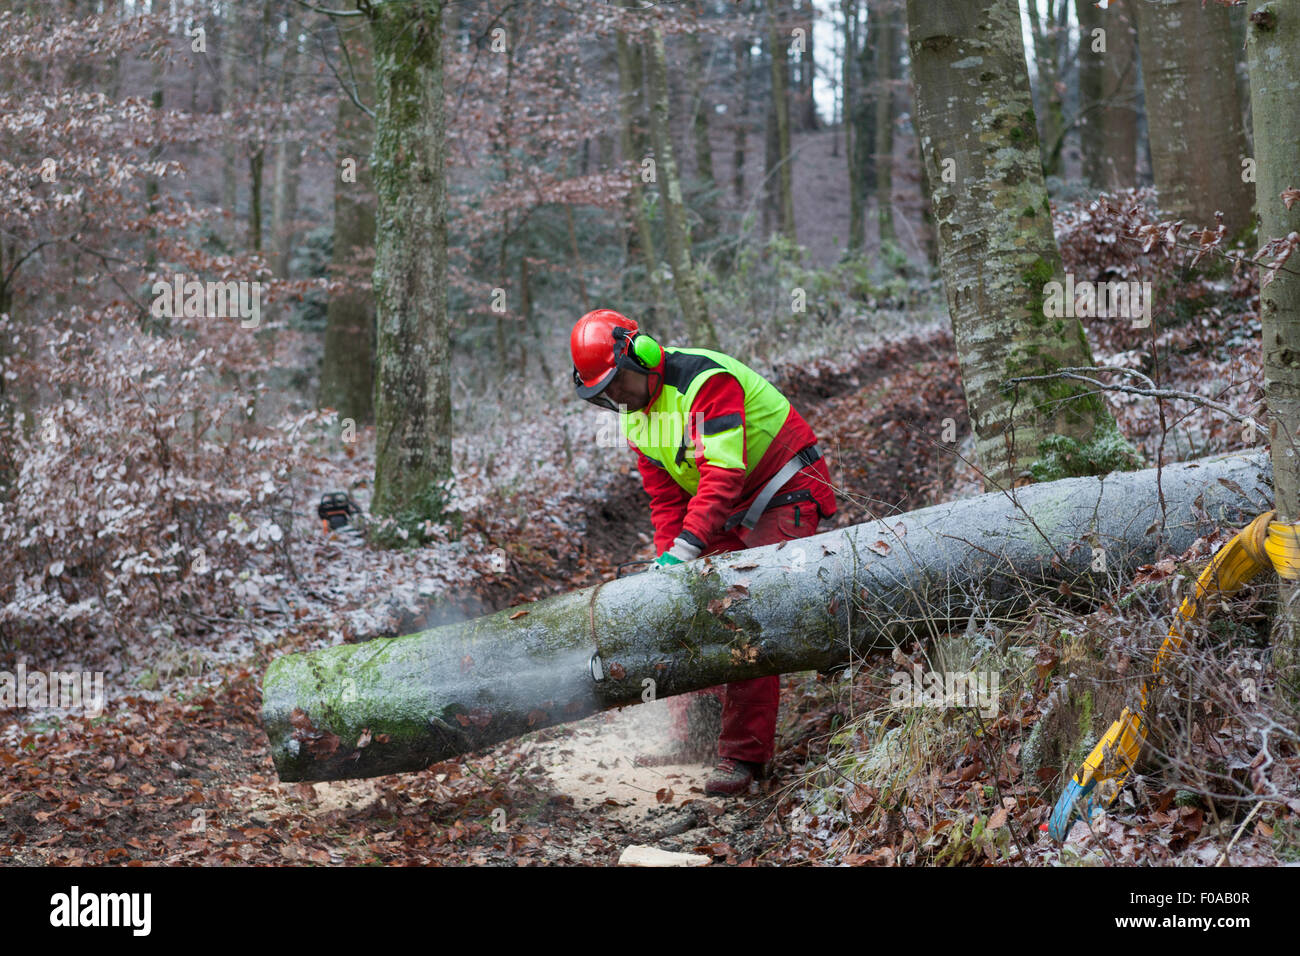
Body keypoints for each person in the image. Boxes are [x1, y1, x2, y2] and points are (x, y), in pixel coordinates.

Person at [570, 308, 836, 796]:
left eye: (618, 385)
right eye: (603, 394)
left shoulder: (703, 382)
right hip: (728, 508)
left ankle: (744, 758)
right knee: (687, 604)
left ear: (642, 354)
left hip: (784, 489)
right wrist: (668, 562)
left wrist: (687, 549)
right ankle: (694, 734)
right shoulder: (636, 423)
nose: (616, 399)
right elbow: (668, 500)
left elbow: (723, 472)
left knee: (750, 607)